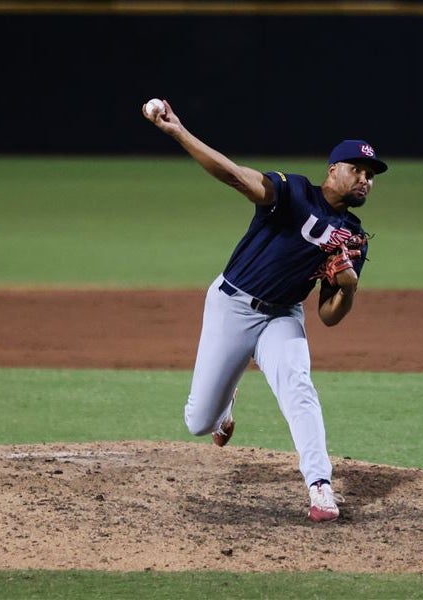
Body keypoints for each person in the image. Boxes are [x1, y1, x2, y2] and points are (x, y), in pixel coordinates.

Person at [144, 98, 386, 523]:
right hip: (231, 305)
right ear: (333, 169)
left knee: (299, 388)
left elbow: (329, 315)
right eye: (356, 169)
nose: (364, 179)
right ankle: (223, 405)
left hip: (283, 316)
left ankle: (321, 487)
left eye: (370, 175)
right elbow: (237, 177)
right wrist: (178, 132)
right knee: (198, 422)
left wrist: (348, 288)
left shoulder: (353, 238)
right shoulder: (293, 192)